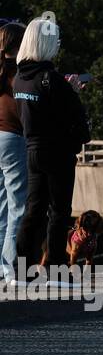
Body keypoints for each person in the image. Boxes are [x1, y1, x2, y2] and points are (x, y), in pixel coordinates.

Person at [13, 19, 90, 268]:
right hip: (58, 154)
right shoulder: (52, 80)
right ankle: (56, 269)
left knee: (33, 212)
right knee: (58, 213)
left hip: (32, 150)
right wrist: (74, 93)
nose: (58, 45)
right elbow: (77, 123)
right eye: (56, 41)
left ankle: (21, 269)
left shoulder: (20, 79)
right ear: (46, 43)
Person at [0, 22, 27, 283]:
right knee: (18, 204)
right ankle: (11, 268)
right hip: (12, 138)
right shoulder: (19, 73)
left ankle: (1, 265)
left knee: (1, 206)